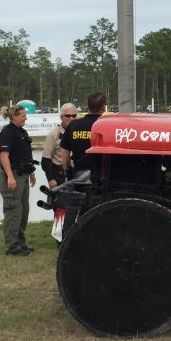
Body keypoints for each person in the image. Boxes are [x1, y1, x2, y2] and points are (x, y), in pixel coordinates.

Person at [59, 91, 107, 240]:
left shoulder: (74, 126)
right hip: (101, 177)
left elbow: (64, 154)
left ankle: (66, 240)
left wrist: (67, 173)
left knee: (73, 210)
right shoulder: (106, 126)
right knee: (98, 210)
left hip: (78, 176)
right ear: (104, 107)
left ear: (87, 106)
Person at [0, 104, 37, 256]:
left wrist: (32, 173)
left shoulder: (22, 132)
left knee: (23, 211)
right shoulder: (7, 132)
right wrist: (10, 176)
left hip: (24, 175)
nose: (25, 117)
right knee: (13, 211)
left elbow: (26, 155)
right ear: (14, 117)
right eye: (23, 115)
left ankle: (20, 243)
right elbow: (4, 156)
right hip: (13, 176)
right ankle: (11, 247)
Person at [40, 103, 77, 188]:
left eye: (74, 116)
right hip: (59, 176)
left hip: (76, 174)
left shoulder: (78, 133)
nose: (71, 118)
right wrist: (50, 179)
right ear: (61, 117)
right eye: (68, 116)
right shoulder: (53, 135)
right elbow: (45, 160)